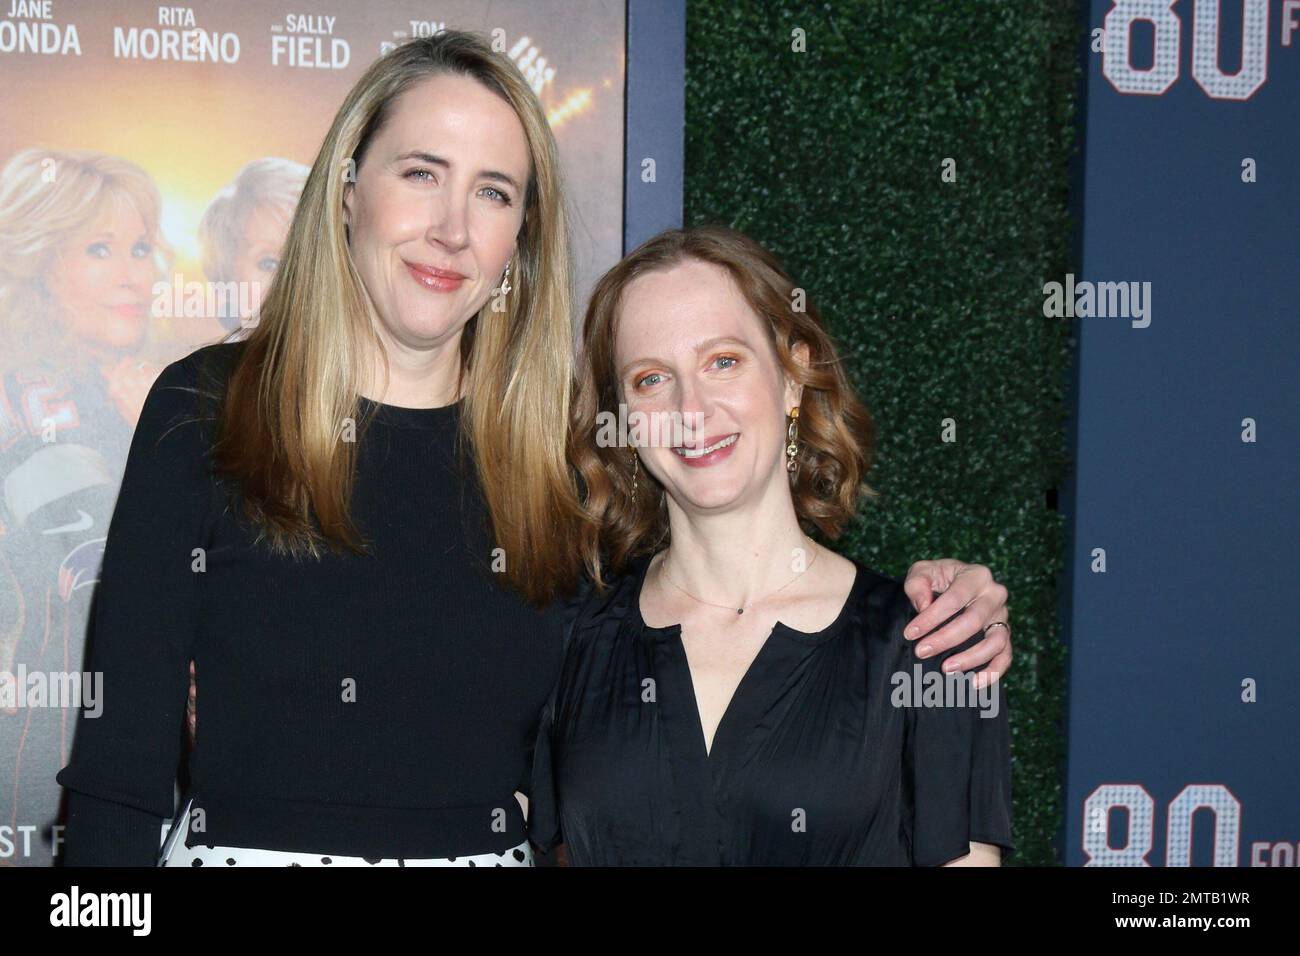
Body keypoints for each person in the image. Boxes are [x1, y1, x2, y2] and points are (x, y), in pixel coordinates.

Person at [55, 32, 1013, 868]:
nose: (452, 228)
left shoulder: (554, 457)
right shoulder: (207, 408)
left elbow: (712, 599)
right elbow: (116, 773)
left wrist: (935, 602)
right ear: (348, 191)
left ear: (520, 237)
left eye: (494, 193)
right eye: (420, 173)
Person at [528, 225, 1013, 865]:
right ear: (621, 419)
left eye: (723, 361)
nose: (690, 407)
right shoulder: (568, 641)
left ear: (791, 375)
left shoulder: (931, 644)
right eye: (651, 379)